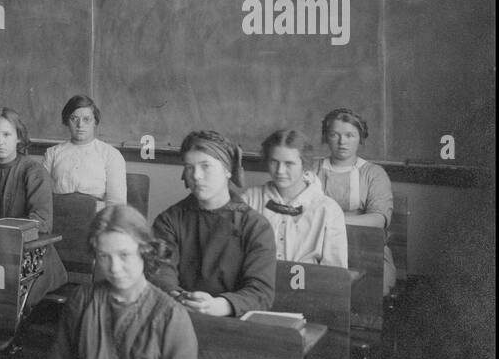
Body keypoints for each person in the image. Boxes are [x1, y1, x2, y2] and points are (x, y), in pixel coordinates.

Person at [50, 205, 198, 359]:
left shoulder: (171, 316)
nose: (114, 268)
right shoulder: (82, 301)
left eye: (124, 255)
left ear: (145, 250)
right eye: (104, 256)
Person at [148, 130, 276, 316]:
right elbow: (160, 272)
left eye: (205, 166)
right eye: (189, 167)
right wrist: (180, 298)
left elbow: (260, 291)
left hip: (233, 323)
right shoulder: (169, 220)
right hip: (176, 314)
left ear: (227, 170)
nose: (196, 175)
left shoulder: (255, 226)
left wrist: (219, 306)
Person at [0, 107, 68, 307]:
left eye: (6, 134)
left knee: (4, 296)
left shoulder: (34, 172)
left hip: (30, 256)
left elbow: (42, 223)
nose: (0, 141)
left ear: (18, 137)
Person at [243, 128, 348, 267]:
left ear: (304, 165)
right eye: (274, 162)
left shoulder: (328, 210)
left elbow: (334, 274)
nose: (280, 171)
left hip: (309, 285)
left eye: (289, 164)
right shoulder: (249, 199)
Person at [317, 108, 394, 294]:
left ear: (361, 137)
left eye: (350, 135)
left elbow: (378, 219)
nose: (342, 142)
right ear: (326, 137)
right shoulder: (312, 169)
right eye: (335, 135)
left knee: (366, 292)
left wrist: (333, 220)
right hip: (319, 246)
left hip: (365, 250)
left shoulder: (373, 173)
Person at [42, 95, 127, 208]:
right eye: (74, 119)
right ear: (67, 121)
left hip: (95, 220)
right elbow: (41, 196)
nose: (80, 125)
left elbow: (116, 204)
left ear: (95, 122)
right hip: (59, 218)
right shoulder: (52, 153)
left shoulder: (111, 155)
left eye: (86, 119)